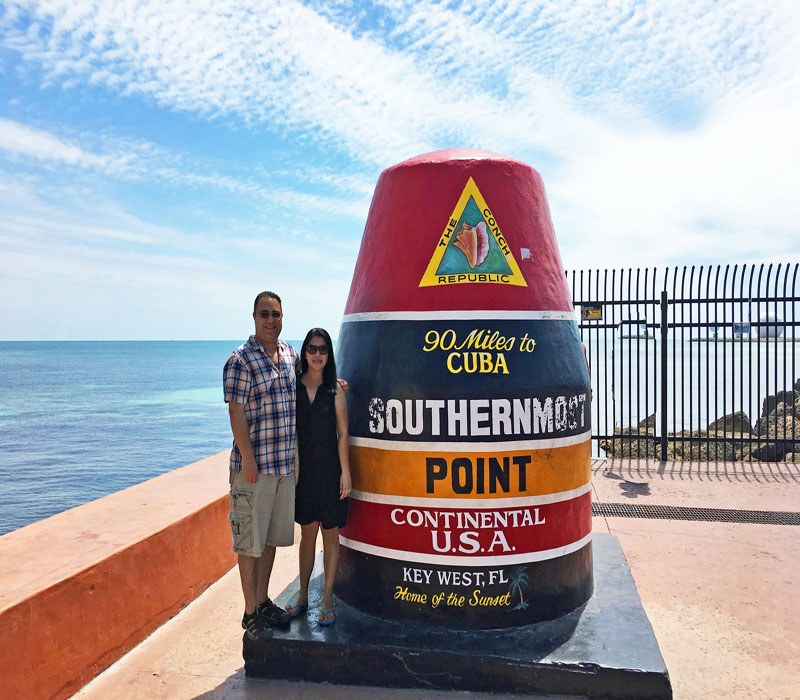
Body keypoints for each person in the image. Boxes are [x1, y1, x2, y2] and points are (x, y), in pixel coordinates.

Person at [223, 291, 296, 641]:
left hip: (283, 466)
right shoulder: (240, 359)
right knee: (249, 543)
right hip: (254, 468)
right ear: (254, 317)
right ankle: (250, 611)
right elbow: (236, 411)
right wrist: (247, 459)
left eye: (276, 314)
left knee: (269, 540)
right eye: (265, 314)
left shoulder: (289, 355)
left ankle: (264, 600)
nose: (271, 320)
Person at [284, 328, 351, 626]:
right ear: (304, 351)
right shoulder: (293, 386)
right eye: (312, 348)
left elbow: (343, 433)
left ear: (329, 353)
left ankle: (327, 597)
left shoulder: (335, 391)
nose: (317, 354)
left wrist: (345, 472)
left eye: (323, 349)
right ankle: (302, 594)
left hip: (330, 472)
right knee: (307, 535)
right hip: (303, 473)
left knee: (331, 535)